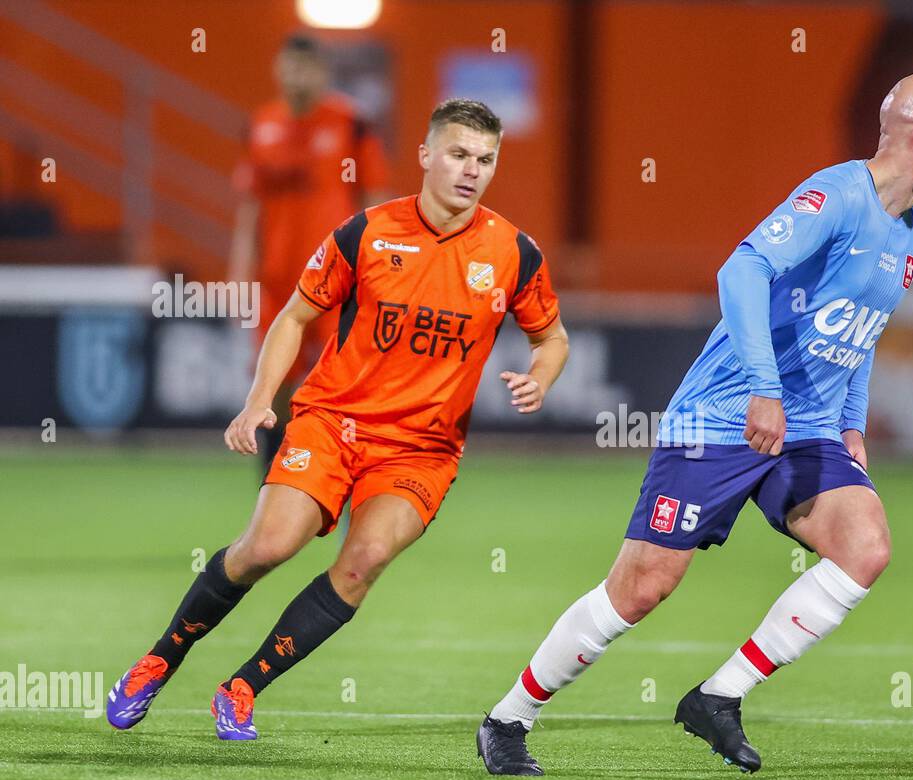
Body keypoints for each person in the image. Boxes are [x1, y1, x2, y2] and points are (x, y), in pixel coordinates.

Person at [478, 74, 913, 775]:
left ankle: (719, 695)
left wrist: (852, 422)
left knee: (865, 546)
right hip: (723, 417)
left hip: (806, 430)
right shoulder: (835, 195)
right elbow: (742, 269)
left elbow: (862, 332)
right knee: (641, 588)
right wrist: (764, 390)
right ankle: (508, 717)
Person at [106, 99, 569, 740]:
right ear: (426, 155)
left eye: (486, 160)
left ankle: (242, 688)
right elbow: (294, 316)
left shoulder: (514, 252)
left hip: (422, 449)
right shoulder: (367, 233)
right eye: (459, 154)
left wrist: (539, 379)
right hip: (334, 420)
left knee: (362, 563)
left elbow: (553, 339)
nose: (471, 170)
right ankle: (159, 660)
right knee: (267, 547)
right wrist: (259, 399)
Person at [229, 33, 391, 472]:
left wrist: (379, 269)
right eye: (289, 66)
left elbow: (376, 201)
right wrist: (238, 275)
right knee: (274, 384)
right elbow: (249, 208)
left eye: (306, 67)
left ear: (322, 73)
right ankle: (273, 483)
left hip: (335, 280)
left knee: (336, 382)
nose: (296, 76)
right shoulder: (261, 126)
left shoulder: (350, 125)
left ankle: (340, 477)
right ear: (277, 70)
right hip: (277, 281)